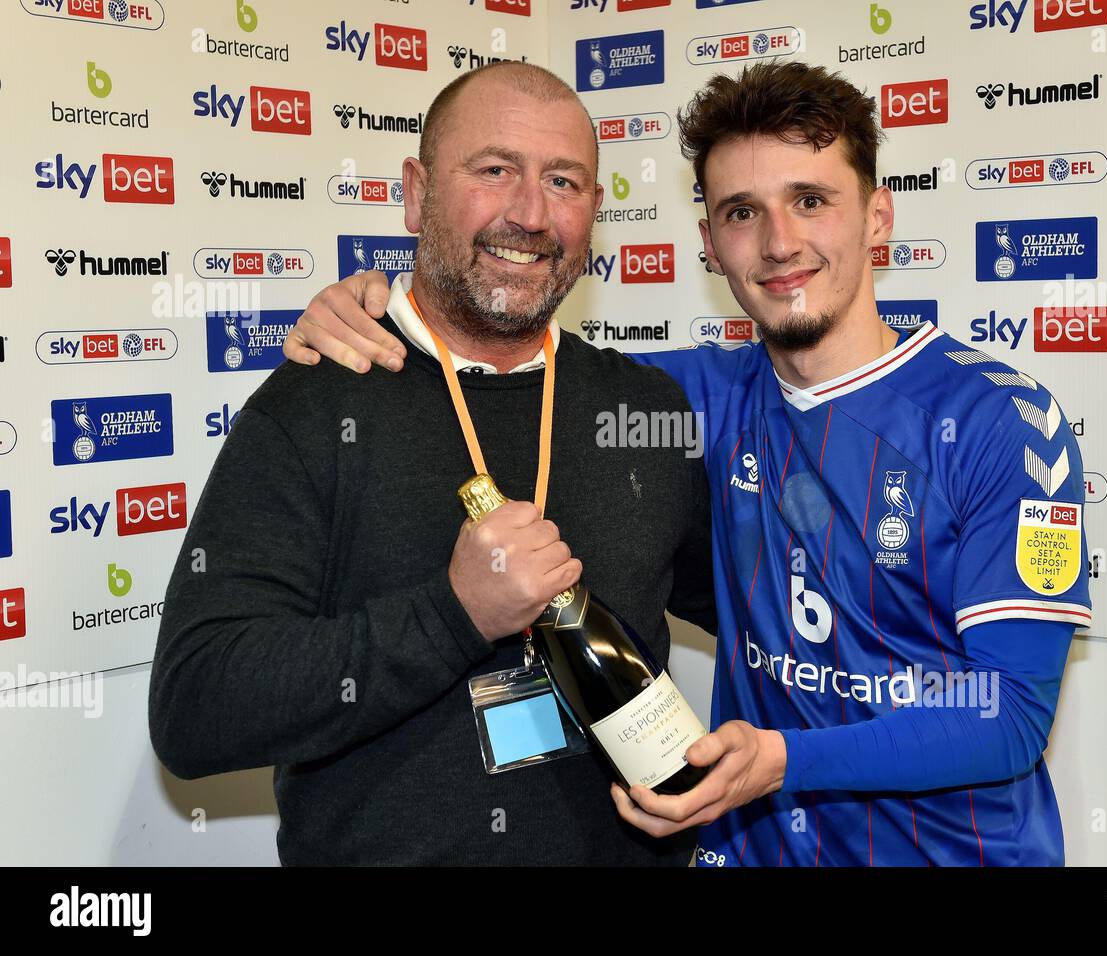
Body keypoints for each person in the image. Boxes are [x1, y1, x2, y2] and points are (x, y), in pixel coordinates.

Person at [284, 61, 1093, 866]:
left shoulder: (1003, 423)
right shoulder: (681, 403)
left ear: (877, 217)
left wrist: (783, 761)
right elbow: (503, 368)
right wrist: (380, 311)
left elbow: (1011, 715)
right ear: (709, 243)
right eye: (742, 212)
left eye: (811, 201)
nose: (779, 243)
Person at [150, 62, 715, 866]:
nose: (530, 214)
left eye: (562, 181)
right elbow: (195, 708)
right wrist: (453, 615)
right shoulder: (316, 404)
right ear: (416, 194)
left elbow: (752, 603)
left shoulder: (643, 407)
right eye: (494, 171)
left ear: (594, 208)